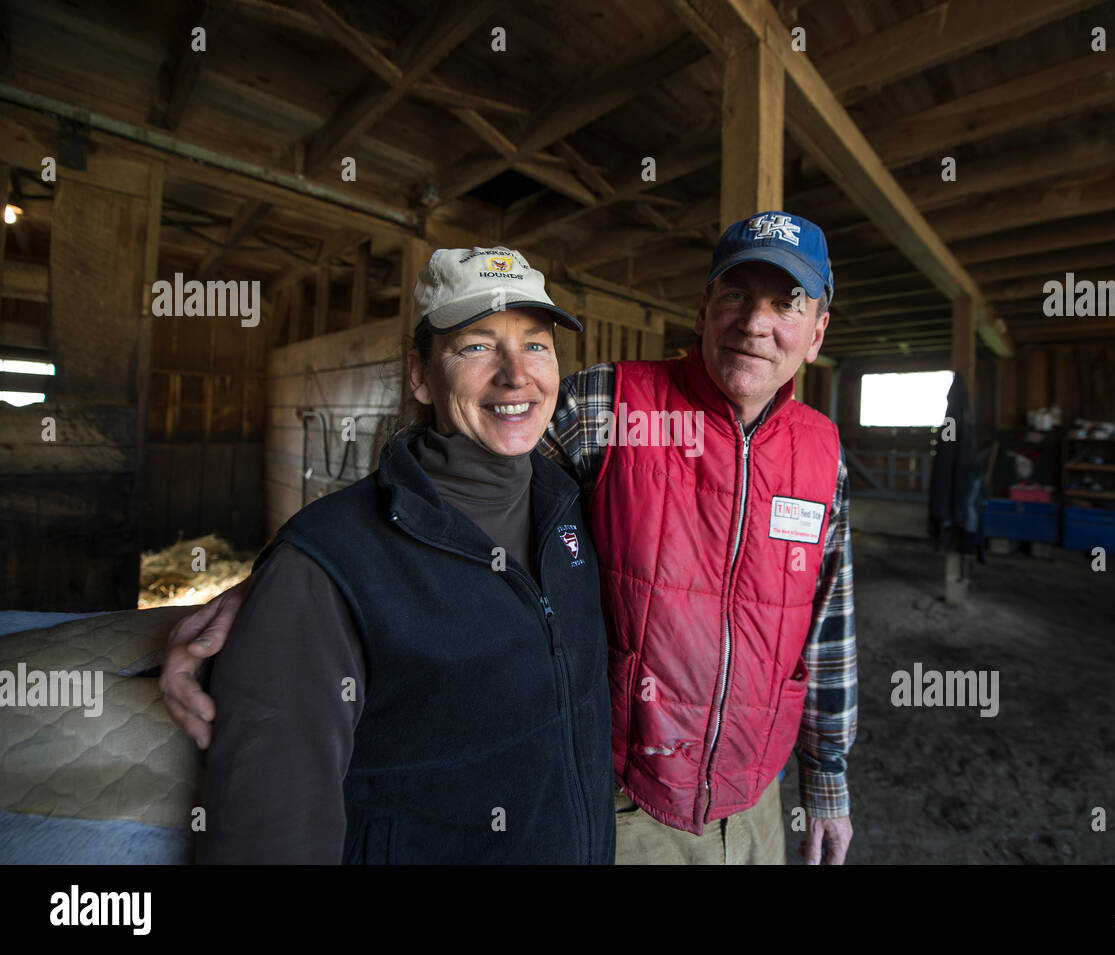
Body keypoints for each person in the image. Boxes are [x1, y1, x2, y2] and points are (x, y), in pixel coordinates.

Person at [165, 212, 857, 865]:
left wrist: (825, 777)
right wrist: (278, 583)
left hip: (754, 798)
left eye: (788, 302)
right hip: (630, 805)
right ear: (704, 309)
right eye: (736, 293)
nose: (757, 324)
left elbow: (829, 622)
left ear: (818, 331)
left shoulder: (823, 453)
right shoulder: (608, 408)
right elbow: (453, 491)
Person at [191, 247, 615, 863]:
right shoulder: (325, 561)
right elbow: (270, 833)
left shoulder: (575, 508)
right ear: (420, 374)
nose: (515, 374)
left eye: (536, 344)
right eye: (476, 346)